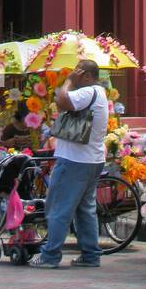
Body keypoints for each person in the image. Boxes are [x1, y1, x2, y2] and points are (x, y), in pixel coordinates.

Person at [29, 59, 108, 269]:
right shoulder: (99, 93)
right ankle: (91, 255)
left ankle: (50, 255)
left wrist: (68, 81)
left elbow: (62, 101)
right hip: (92, 159)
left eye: (78, 73)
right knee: (85, 208)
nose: (75, 76)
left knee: (58, 207)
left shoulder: (88, 91)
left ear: (88, 76)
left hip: (75, 160)